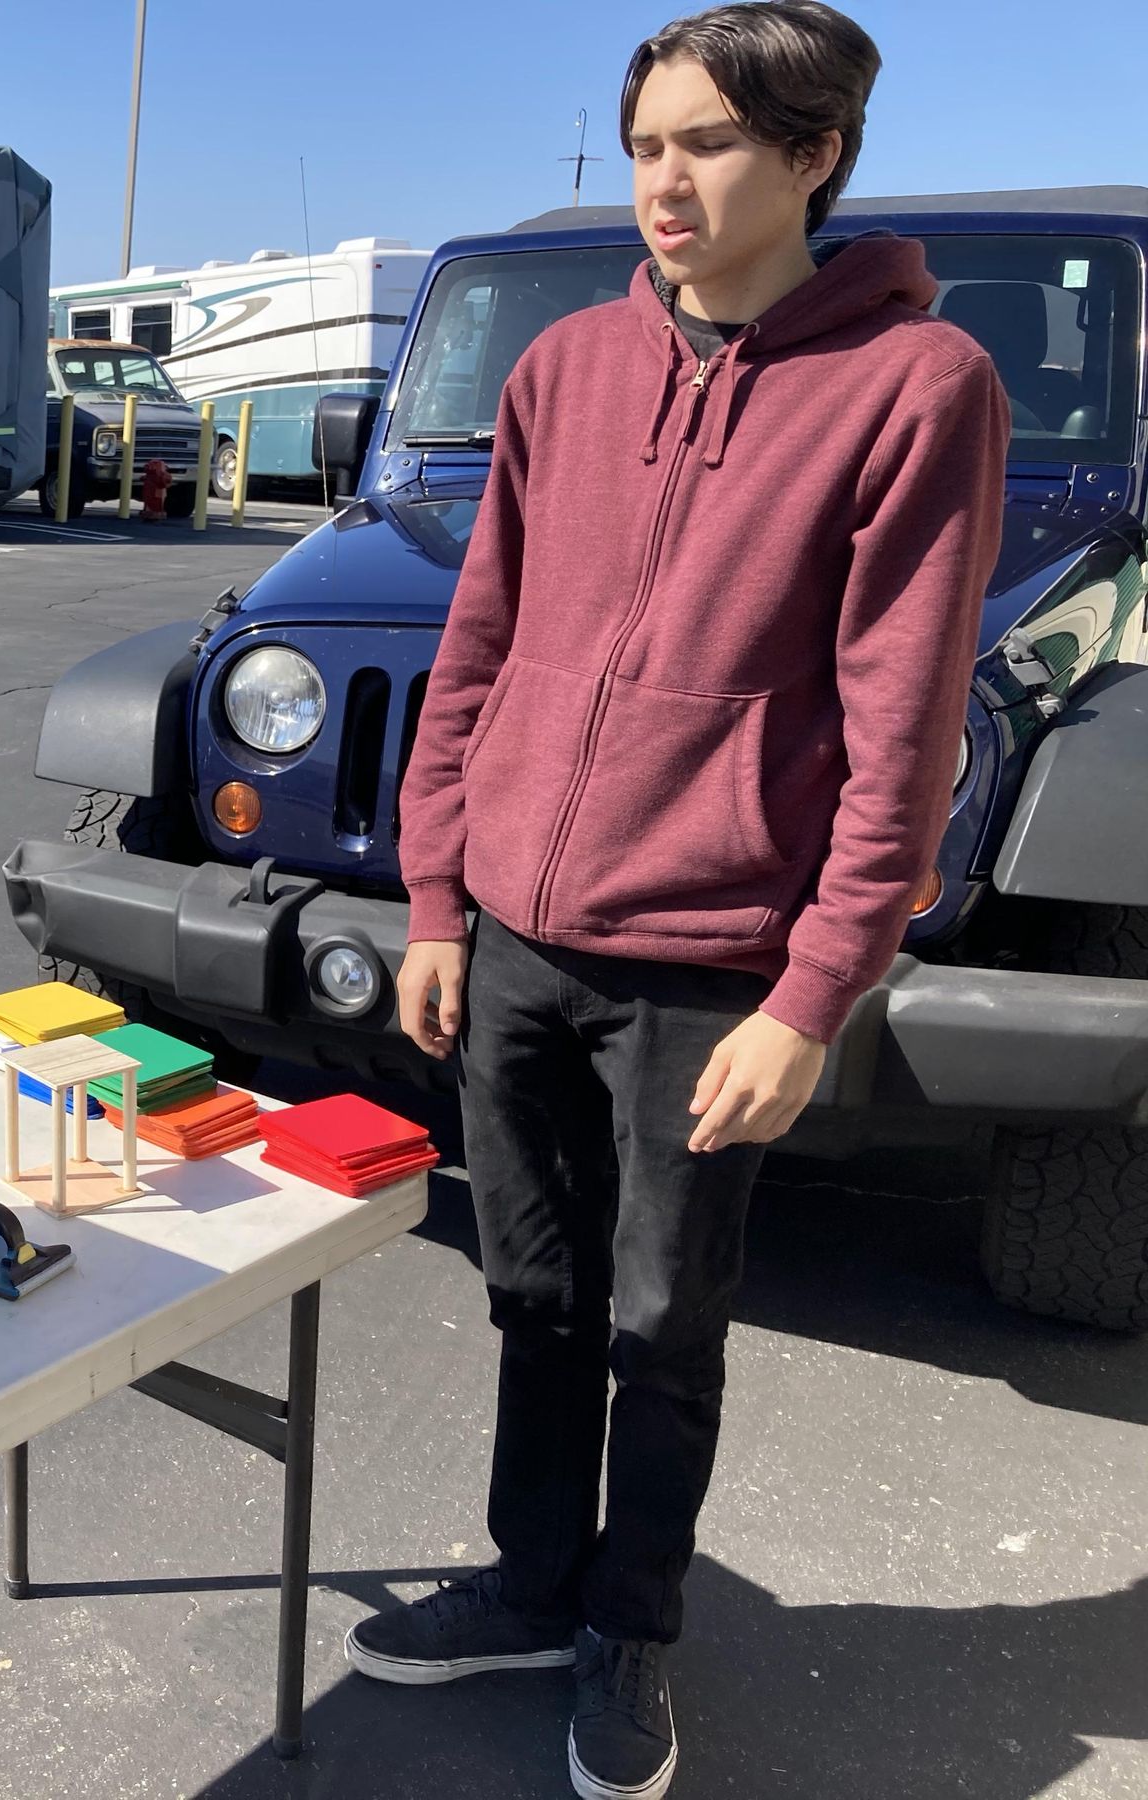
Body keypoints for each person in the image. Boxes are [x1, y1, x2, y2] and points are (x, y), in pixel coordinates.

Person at [347, 5, 1009, 1798]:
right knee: (532, 1293)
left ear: (813, 155)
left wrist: (813, 995)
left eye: (708, 142)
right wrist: (437, 899)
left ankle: (631, 1630)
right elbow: (478, 643)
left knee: (663, 1326)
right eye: (648, 143)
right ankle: (531, 1584)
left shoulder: (915, 385)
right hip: (515, 938)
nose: (665, 179)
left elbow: (903, 720)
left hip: (710, 968)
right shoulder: (565, 367)